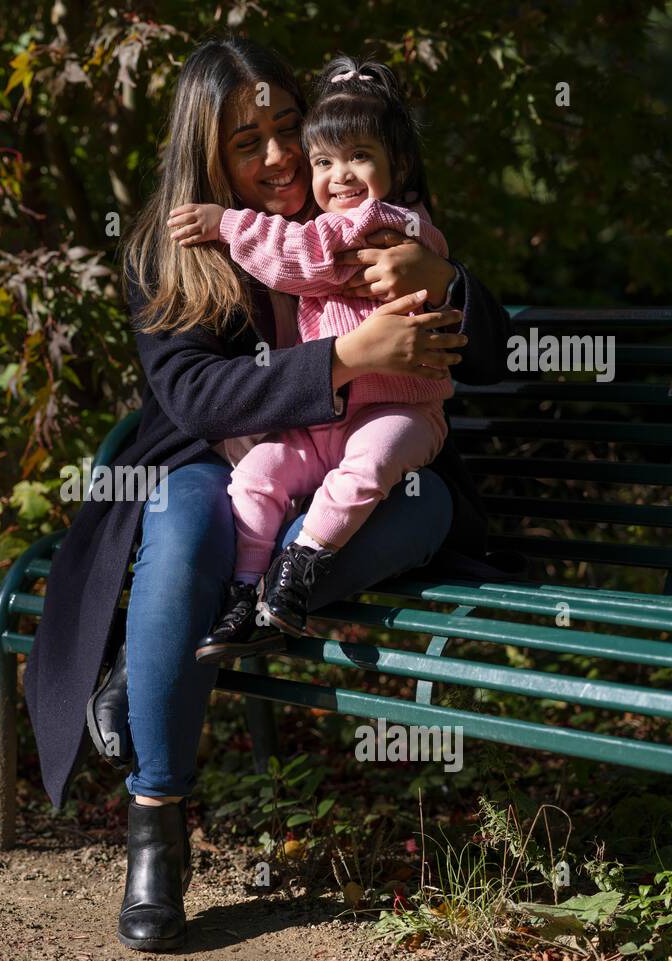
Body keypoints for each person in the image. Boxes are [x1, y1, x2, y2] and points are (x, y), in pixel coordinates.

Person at [22, 35, 509, 952]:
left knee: (422, 508)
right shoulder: (173, 250)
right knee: (190, 525)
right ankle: (156, 826)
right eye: (251, 142)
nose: (283, 155)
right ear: (209, 156)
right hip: (216, 455)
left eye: (290, 127)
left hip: (371, 467)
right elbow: (198, 395)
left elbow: (492, 348)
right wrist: (345, 358)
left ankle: (171, 650)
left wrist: (446, 283)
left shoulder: (372, 217)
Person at [169, 56, 455, 656]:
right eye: (324, 161)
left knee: (371, 464)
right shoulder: (336, 220)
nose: (340, 176)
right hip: (330, 417)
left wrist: (226, 224)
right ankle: (246, 589)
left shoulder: (381, 223)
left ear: (396, 165)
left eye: (359, 158)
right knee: (258, 473)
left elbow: (299, 258)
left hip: (396, 413)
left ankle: (301, 561)